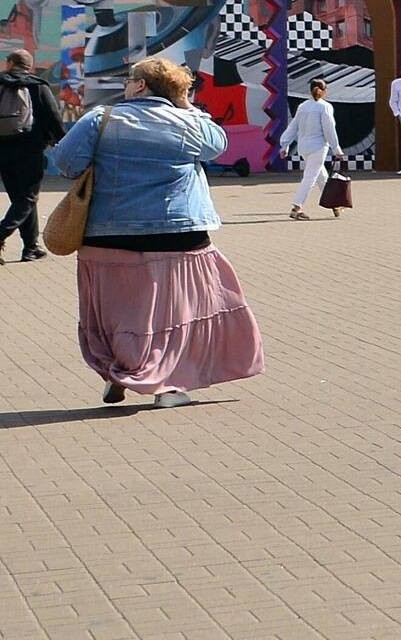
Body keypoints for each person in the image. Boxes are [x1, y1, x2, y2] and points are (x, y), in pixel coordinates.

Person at [47, 57, 264, 409]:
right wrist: (184, 104)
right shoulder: (190, 122)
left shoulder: (100, 119)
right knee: (177, 314)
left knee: (115, 311)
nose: (125, 84)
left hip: (107, 234)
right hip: (178, 233)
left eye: (130, 79)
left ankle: (120, 370)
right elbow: (218, 144)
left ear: (141, 86)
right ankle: (168, 386)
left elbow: (67, 163)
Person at [0, 50, 70, 261]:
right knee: (27, 198)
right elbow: (53, 117)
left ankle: (31, 248)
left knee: (20, 199)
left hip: (3, 149)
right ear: (29, 66)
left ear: (9, 63)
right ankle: (2, 233)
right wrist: (63, 144)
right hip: (29, 150)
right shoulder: (37, 85)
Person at [285, 79, 344, 219]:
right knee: (310, 177)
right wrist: (336, 148)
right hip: (318, 147)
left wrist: (284, 144)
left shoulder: (303, 106)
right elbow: (329, 129)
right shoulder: (325, 107)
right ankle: (296, 208)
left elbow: (293, 126)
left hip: (304, 147)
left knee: (321, 176)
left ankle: (334, 204)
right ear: (324, 91)